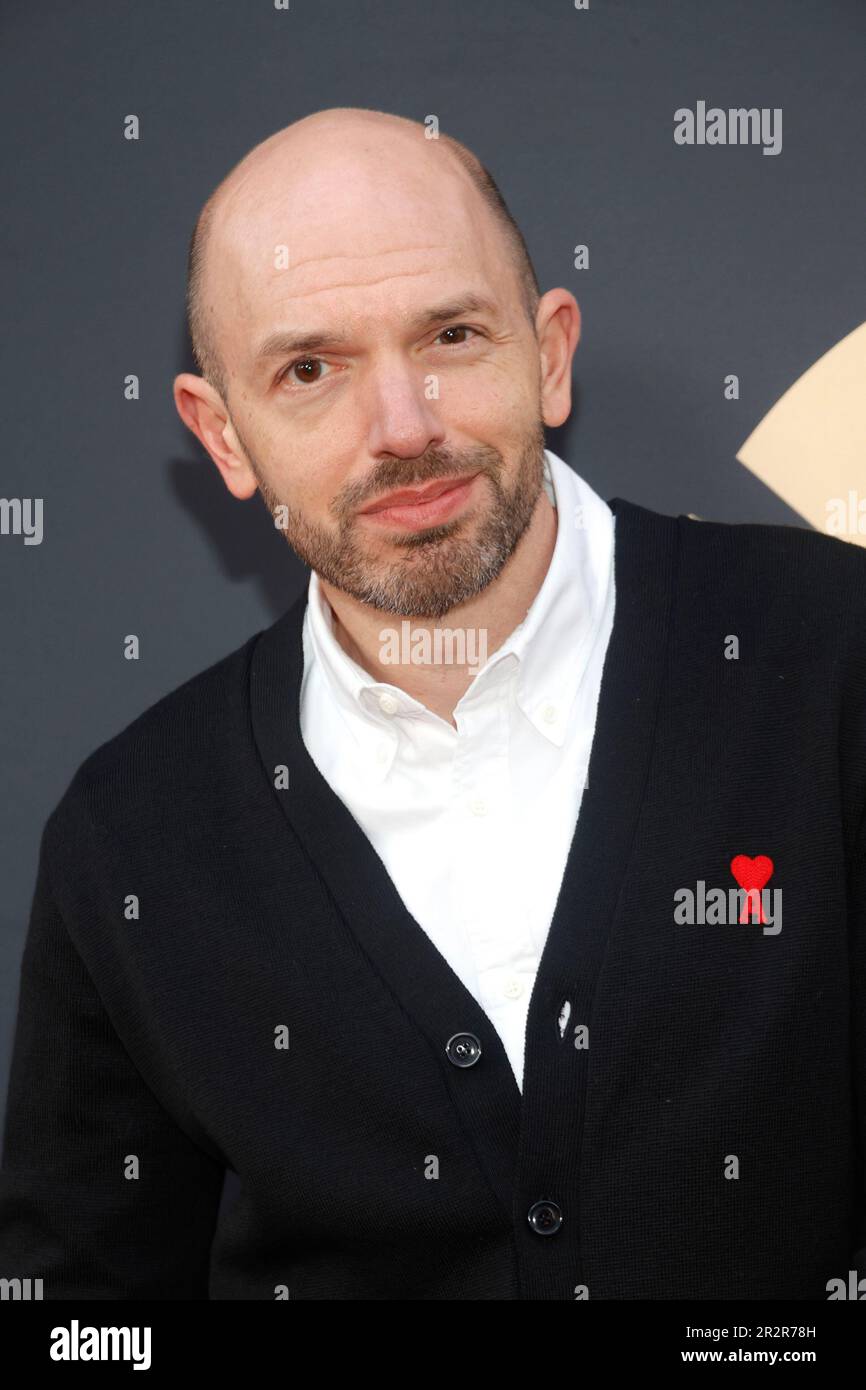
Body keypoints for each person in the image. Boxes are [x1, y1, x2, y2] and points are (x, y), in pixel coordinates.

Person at [1, 107, 865, 1300]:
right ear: (223, 435)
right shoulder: (130, 836)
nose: (403, 428)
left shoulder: (832, 659)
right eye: (310, 371)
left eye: (450, 335)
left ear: (547, 355)